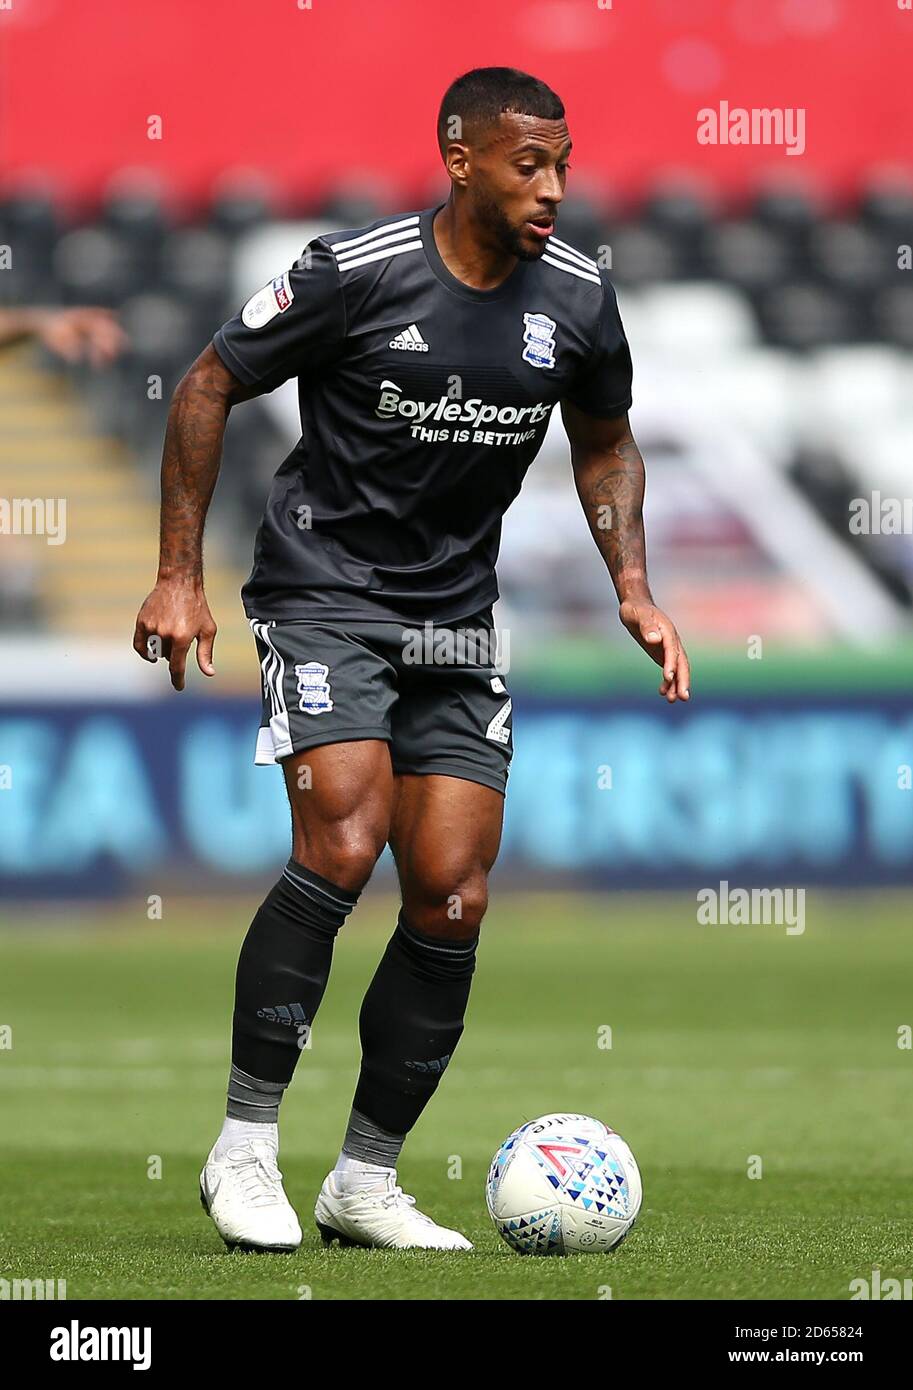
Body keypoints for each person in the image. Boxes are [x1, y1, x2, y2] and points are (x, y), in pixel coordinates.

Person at [133, 66, 690, 1253]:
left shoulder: (581, 300)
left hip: (457, 619)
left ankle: (363, 1181)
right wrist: (180, 573)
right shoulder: (357, 271)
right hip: (325, 591)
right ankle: (243, 1150)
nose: (550, 189)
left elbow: (606, 442)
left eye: (562, 165)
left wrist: (632, 587)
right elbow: (208, 381)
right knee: (340, 838)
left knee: (451, 892)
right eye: (526, 164)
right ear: (460, 157)